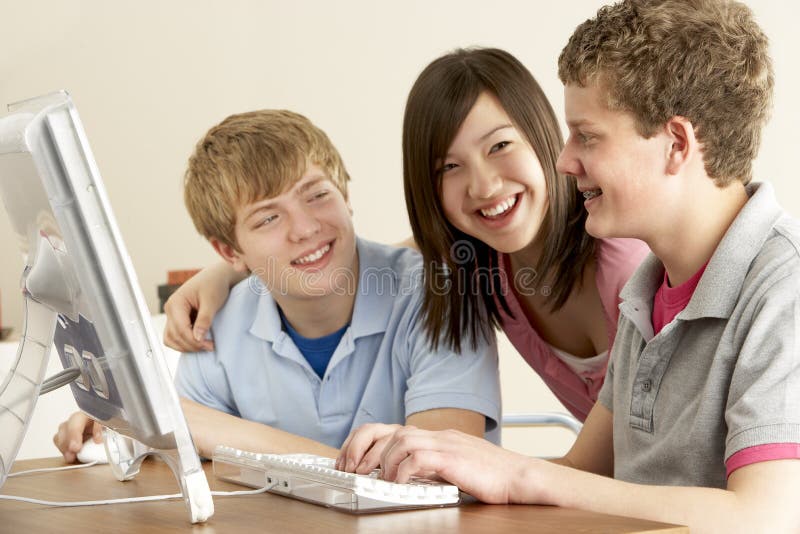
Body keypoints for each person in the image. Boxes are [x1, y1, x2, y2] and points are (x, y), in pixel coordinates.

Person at [340, 0, 800, 531]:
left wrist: (515, 474)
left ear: (675, 144)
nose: (563, 160)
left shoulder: (782, 287)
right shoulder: (648, 292)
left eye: (588, 136)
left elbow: (767, 516)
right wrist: (451, 464)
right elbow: (584, 475)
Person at [162, 47, 648, 425]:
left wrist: (205, 429)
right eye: (449, 167)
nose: (483, 185)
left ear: (546, 135)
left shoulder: (626, 269)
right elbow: (370, 262)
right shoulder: (479, 258)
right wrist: (226, 274)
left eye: (500, 145)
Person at [53, 109, 501, 462]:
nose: (304, 228)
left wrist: (211, 431)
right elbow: (187, 447)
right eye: (268, 217)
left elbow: (439, 480)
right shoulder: (218, 326)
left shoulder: (442, 297)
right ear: (230, 252)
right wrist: (135, 433)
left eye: (317, 194)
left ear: (346, 195)